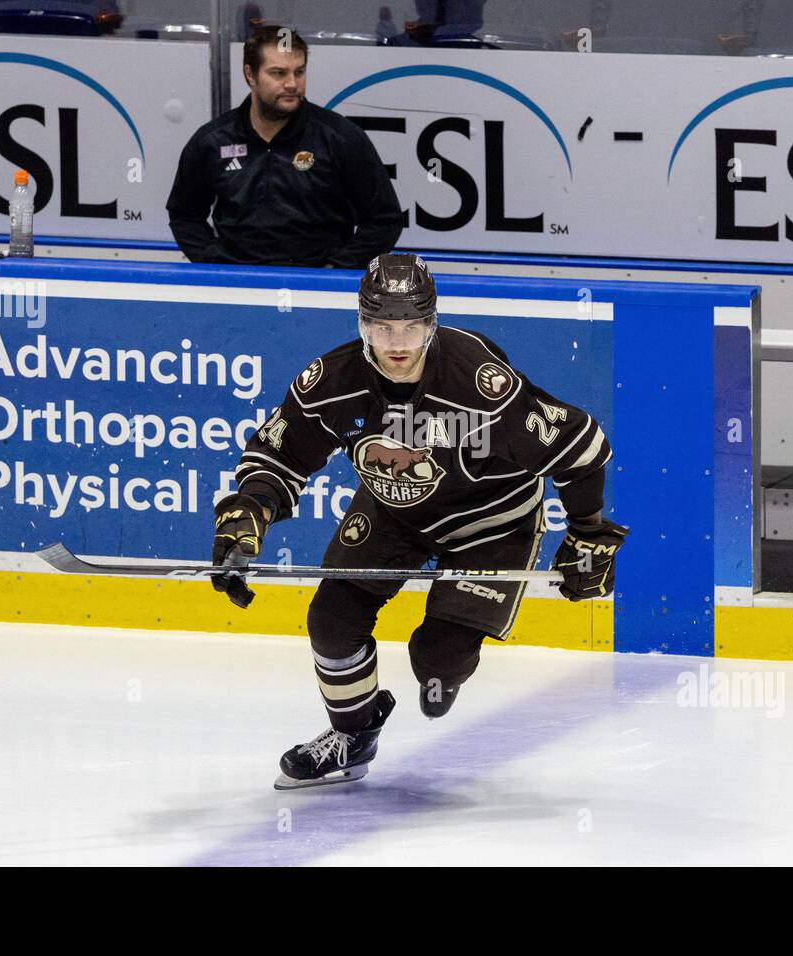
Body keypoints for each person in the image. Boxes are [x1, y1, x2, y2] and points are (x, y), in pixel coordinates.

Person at [210, 254, 628, 790]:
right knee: (332, 622)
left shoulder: (478, 381)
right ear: (362, 323)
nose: (397, 341)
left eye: (411, 325)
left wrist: (587, 532)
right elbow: (280, 457)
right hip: (394, 510)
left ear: (431, 323)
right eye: (383, 326)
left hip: (491, 523)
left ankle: (441, 667)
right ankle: (352, 735)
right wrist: (248, 514)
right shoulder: (332, 381)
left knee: (437, 665)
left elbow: (580, 447)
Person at [166, 25, 403, 268]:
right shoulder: (213, 140)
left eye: (299, 72)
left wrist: (336, 269)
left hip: (319, 287)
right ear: (250, 75)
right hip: (236, 288)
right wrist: (214, 262)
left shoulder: (339, 137)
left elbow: (384, 220)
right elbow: (184, 214)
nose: (292, 84)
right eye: (278, 73)